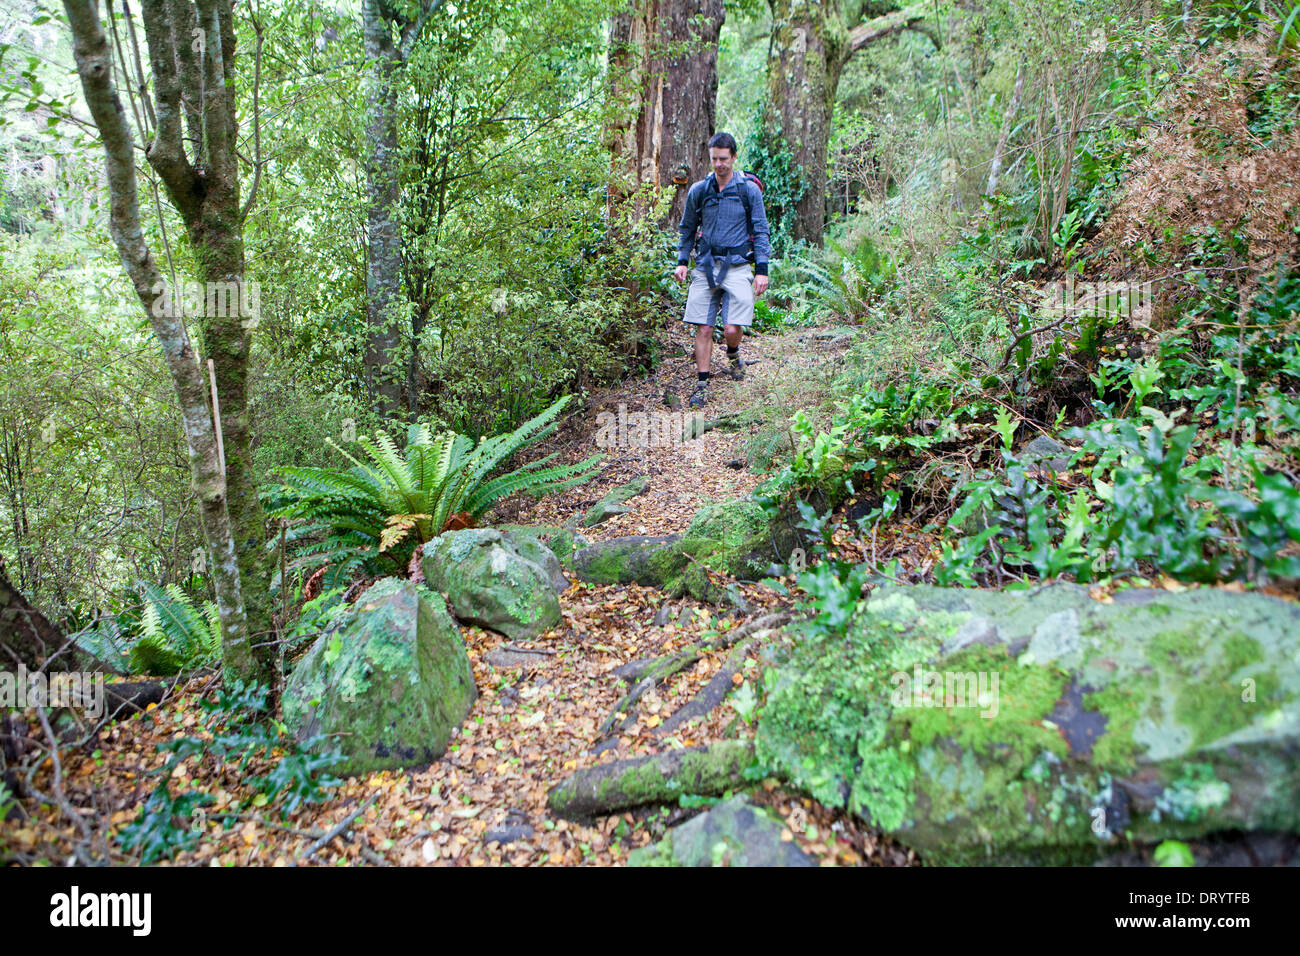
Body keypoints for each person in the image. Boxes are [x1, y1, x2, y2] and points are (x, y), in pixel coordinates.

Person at [675, 132, 771, 408]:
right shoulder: (699, 191)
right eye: (714, 159)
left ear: (734, 157)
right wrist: (682, 261)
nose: (718, 165)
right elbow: (687, 228)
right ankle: (702, 383)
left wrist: (762, 269)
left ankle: (733, 351)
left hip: (738, 265)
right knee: (703, 327)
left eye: (723, 159)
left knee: (731, 327)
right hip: (706, 265)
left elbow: (761, 231)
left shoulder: (748, 190)